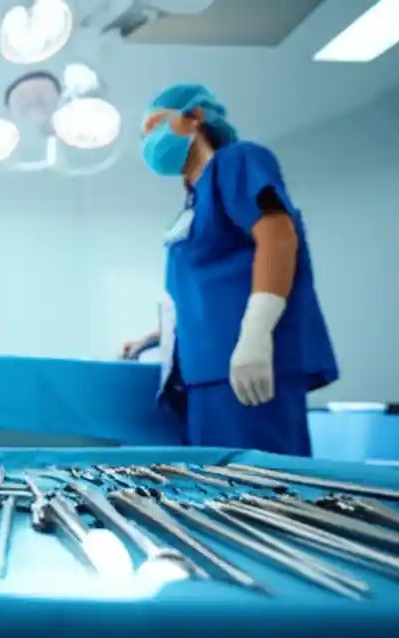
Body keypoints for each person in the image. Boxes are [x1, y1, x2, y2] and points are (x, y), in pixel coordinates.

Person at [121, 83, 338, 455]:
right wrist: (155, 337)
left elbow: (277, 235)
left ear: (195, 117)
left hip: (247, 363)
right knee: (215, 495)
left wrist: (256, 334)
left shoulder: (240, 161)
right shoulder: (193, 206)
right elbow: (206, 291)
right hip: (202, 374)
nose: (149, 141)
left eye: (155, 126)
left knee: (262, 495)